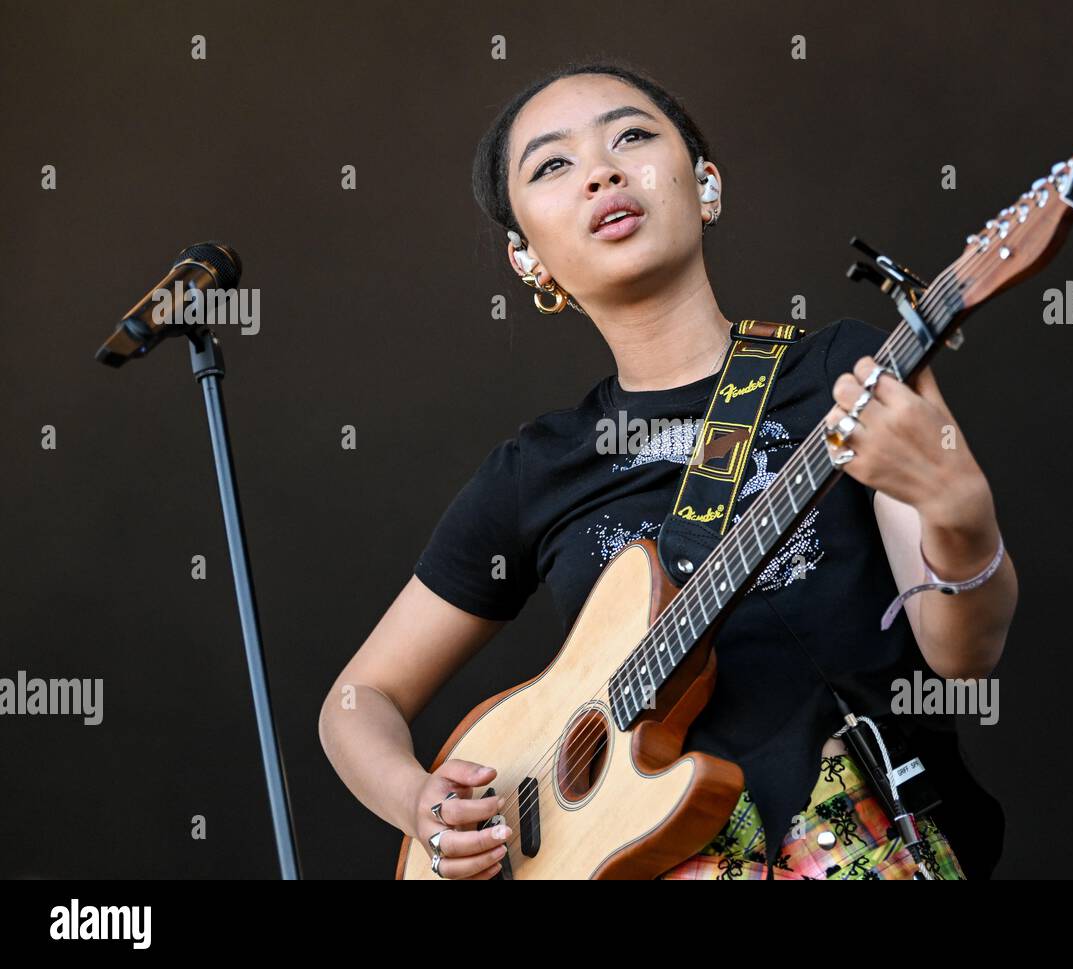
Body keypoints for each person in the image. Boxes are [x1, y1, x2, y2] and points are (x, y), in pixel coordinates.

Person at [318, 59, 1017, 881]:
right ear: (526, 257)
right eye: (553, 164)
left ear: (706, 185)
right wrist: (421, 806)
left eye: (632, 138)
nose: (601, 173)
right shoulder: (536, 468)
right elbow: (356, 703)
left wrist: (961, 514)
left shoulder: (849, 373)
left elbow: (961, 655)